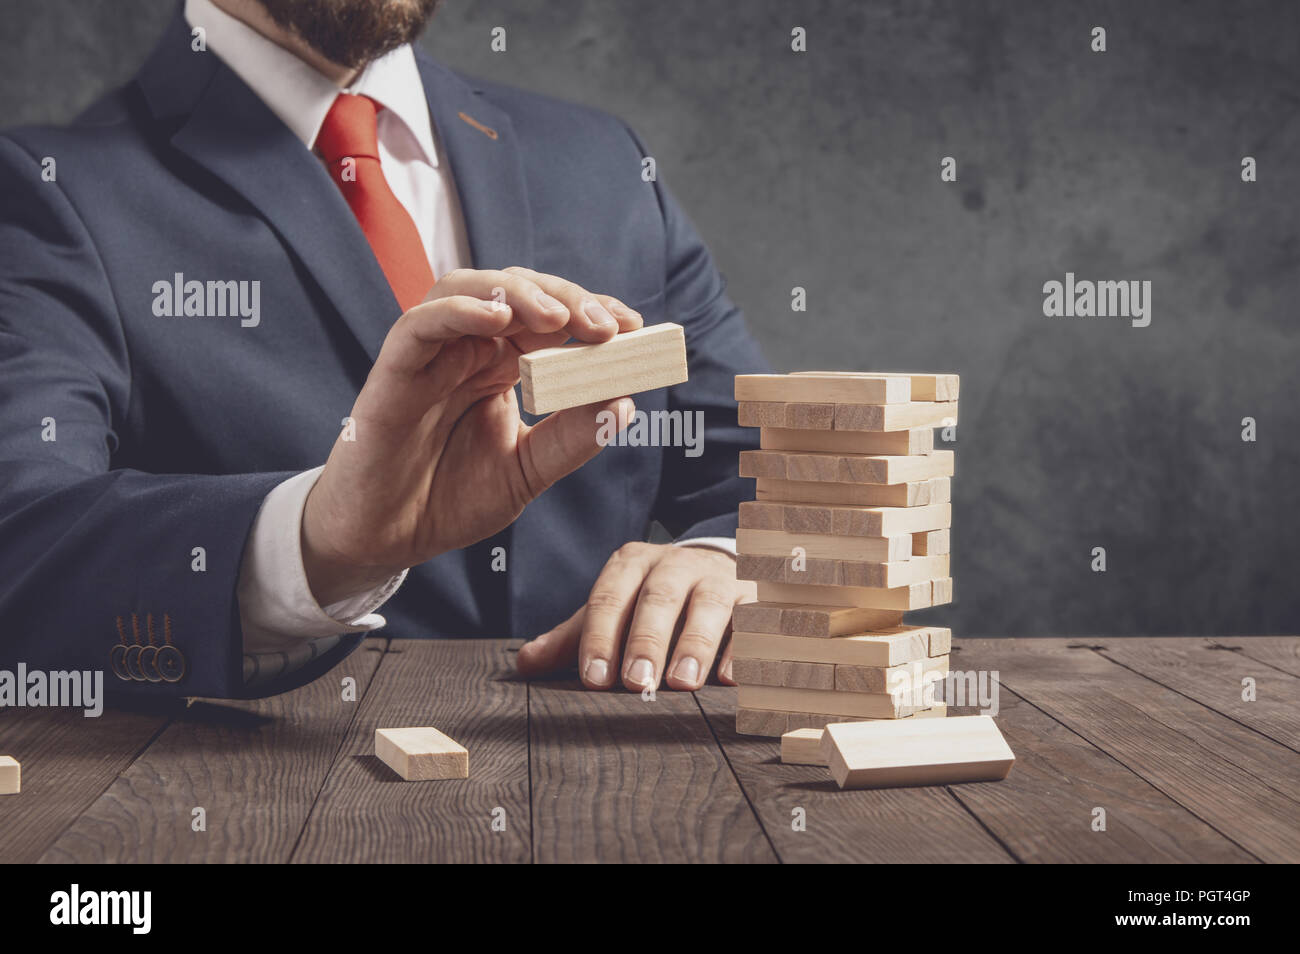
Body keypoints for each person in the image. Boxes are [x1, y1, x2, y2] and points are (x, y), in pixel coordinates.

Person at [0, 0, 767, 701]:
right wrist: (317, 545)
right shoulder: (46, 192)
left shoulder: (602, 160)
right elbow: (20, 542)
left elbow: (783, 474)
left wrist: (731, 560)